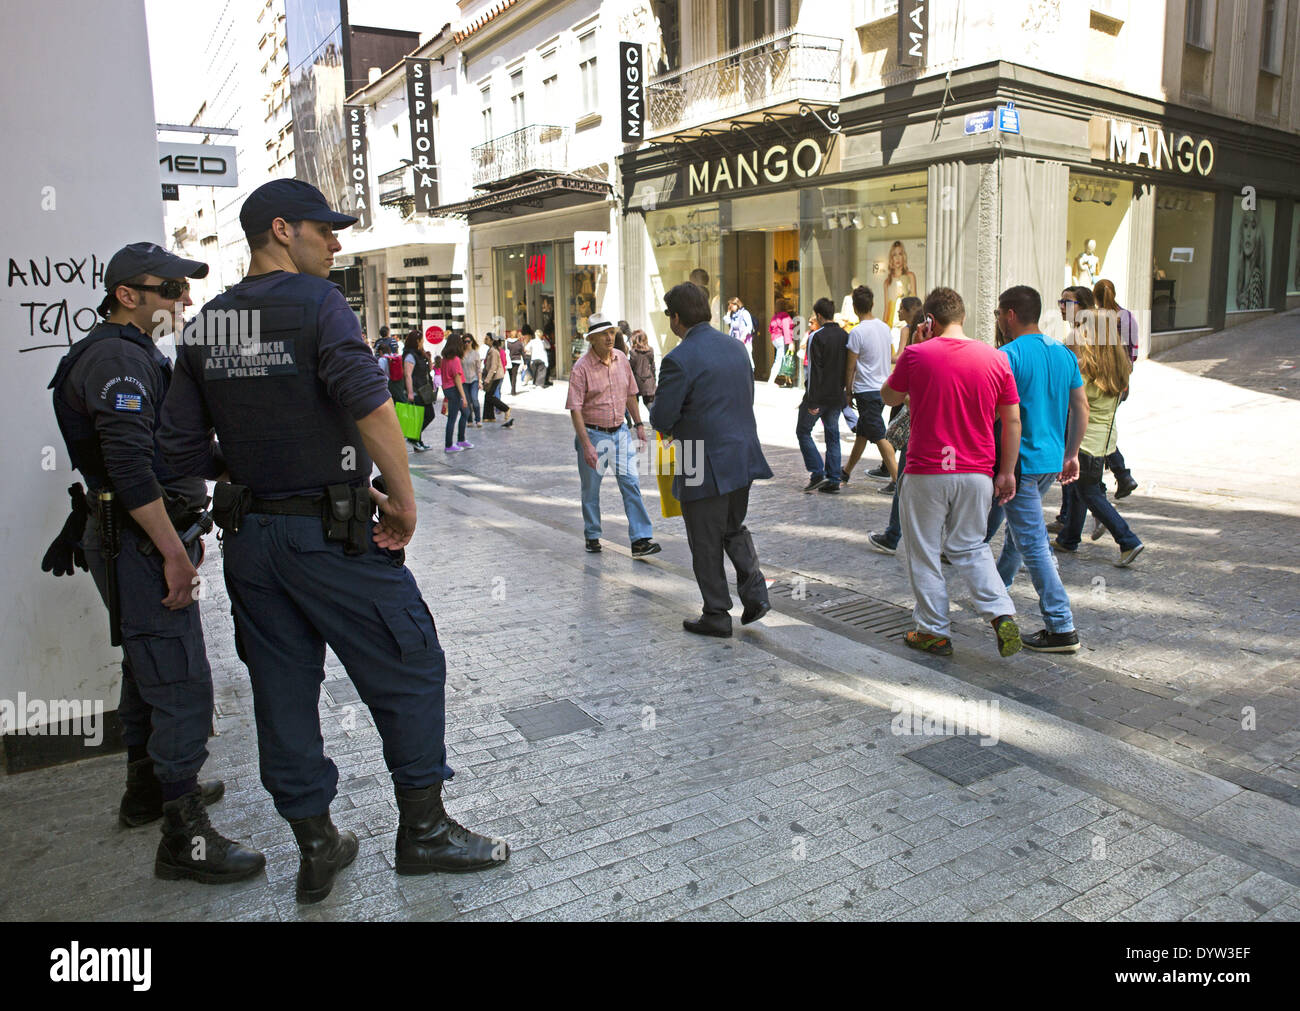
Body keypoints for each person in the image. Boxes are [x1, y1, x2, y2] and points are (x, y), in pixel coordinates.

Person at [158, 179, 508, 904]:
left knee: (282, 689)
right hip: (332, 534)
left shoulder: (205, 327)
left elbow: (181, 452)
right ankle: (423, 831)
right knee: (410, 659)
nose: (337, 241)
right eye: (325, 229)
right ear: (281, 230)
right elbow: (372, 405)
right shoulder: (318, 305)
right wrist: (404, 500)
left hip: (252, 541)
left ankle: (316, 843)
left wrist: (254, 465)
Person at [45, 242, 262, 885]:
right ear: (127, 296)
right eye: (170, 290)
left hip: (133, 538)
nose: (183, 301)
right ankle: (184, 836)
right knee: (181, 680)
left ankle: (147, 793)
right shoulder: (116, 358)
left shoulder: (130, 352)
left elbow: (170, 450)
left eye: (184, 290)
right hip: (139, 543)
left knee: (146, 670)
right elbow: (133, 470)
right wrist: (173, 552)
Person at [880, 287, 1024, 659]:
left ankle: (933, 632)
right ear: (962, 316)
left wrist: (912, 345)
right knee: (972, 548)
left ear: (929, 320)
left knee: (924, 552)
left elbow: (888, 397)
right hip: (976, 472)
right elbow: (1011, 419)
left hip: (927, 470)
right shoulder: (995, 359)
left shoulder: (917, 355)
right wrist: (1006, 471)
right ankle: (1001, 613)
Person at [651, 282, 773, 637]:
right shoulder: (736, 348)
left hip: (697, 459)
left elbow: (661, 418)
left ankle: (717, 613)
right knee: (734, 527)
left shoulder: (678, 358)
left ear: (676, 318)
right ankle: (755, 594)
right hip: (742, 456)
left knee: (704, 539)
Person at [986, 284, 1088, 654]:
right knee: (1020, 532)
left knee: (1033, 543)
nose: (998, 320)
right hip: (1049, 460)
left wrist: (1005, 469)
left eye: (999, 314)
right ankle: (997, 588)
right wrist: (1072, 452)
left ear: (1010, 314)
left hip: (1020, 464)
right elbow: (1081, 407)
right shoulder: (1062, 353)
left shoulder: (1005, 356)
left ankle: (1061, 625)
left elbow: (998, 416)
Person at [566, 313, 661, 558]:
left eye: (612, 333)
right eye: (604, 334)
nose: (610, 338)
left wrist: (639, 424)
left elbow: (630, 393)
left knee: (631, 484)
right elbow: (575, 408)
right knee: (591, 489)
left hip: (620, 433)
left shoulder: (621, 359)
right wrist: (586, 445)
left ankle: (640, 539)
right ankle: (592, 534)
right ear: (592, 339)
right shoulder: (581, 368)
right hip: (593, 435)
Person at [1054, 314, 1145, 566]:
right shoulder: (1117, 371)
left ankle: (1128, 540)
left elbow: (1071, 405)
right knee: (1076, 491)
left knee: (1090, 494)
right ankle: (1068, 539)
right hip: (1103, 442)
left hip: (1083, 443)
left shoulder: (1086, 374)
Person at [840, 285, 898, 491]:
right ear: (873, 304)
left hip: (866, 390)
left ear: (855, 308)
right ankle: (845, 471)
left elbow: (850, 366)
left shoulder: (857, 333)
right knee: (863, 433)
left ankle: (897, 478)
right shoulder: (884, 328)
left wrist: (848, 391)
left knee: (879, 435)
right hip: (882, 388)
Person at [1092, 279, 1139, 498]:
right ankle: (1121, 475)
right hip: (1122, 380)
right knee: (1106, 426)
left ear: (1095, 296)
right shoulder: (1127, 316)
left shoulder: (1098, 319)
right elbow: (1134, 352)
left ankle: (1118, 475)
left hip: (1100, 379)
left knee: (1099, 428)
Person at [796, 298, 848, 494]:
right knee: (832, 436)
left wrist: (812, 401)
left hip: (819, 395)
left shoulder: (816, 337)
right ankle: (834, 478)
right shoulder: (845, 335)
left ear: (818, 315)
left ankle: (818, 473)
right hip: (836, 395)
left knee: (803, 430)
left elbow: (813, 371)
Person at [401, 327, 437, 452]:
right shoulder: (410, 356)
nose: (422, 343)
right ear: (416, 341)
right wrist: (410, 392)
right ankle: (413, 438)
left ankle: (418, 442)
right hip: (416, 390)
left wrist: (428, 359)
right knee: (426, 415)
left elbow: (429, 370)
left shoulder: (419, 354)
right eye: (421, 340)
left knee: (422, 416)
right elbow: (407, 374)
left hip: (423, 388)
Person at [440, 332, 473, 453]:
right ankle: (449, 445)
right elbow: (457, 379)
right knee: (453, 417)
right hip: (454, 390)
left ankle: (461, 439)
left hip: (447, 389)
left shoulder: (445, 359)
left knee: (465, 412)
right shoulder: (455, 360)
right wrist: (464, 397)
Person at [883, 241, 918, 333]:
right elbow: (886, 308)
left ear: (904, 256)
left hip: (906, 325)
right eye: (894, 255)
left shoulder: (910, 276)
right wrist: (883, 330)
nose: (897, 258)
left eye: (900, 254)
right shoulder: (887, 282)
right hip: (892, 326)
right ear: (891, 258)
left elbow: (915, 304)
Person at [480, 336, 513, 427]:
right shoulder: (490, 350)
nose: (485, 340)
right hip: (493, 376)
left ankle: (506, 408)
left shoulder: (494, 352)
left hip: (495, 377)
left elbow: (494, 366)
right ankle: (489, 416)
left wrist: (487, 379)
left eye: (486, 338)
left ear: (491, 340)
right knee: (488, 395)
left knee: (489, 396)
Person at [768, 299, 794, 386]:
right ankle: (771, 381)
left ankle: (788, 381)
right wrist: (790, 342)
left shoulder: (775, 316)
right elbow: (786, 329)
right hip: (781, 338)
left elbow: (770, 329)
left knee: (784, 359)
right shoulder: (785, 316)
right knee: (780, 360)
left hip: (775, 339)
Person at [629, 329, 657, 408]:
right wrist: (654, 380)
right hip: (649, 381)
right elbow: (653, 367)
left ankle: (634, 420)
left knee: (634, 405)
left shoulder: (633, 352)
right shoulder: (650, 350)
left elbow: (631, 367)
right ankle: (655, 420)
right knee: (650, 405)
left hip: (636, 381)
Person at [462, 334, 483, 428]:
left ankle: (478, 419)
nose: (467, 343)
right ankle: (469, 420)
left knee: (474, 399)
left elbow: (479, 369)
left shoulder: (475, 353)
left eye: (468, 341)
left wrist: (480, 381)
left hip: (474, 379)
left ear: (472, 342)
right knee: (467, 401)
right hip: (464, 381)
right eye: (465, 341)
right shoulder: (460, 353)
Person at [507, 329, 525, 394]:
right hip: (517, 361)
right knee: (514, 375)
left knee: (510, 375)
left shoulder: (507, 343)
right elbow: (523, 353)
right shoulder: (519, 343)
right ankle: (513, 390)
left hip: (509, 360)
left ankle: (512, 388)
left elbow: (503, 351)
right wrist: (525, 362)